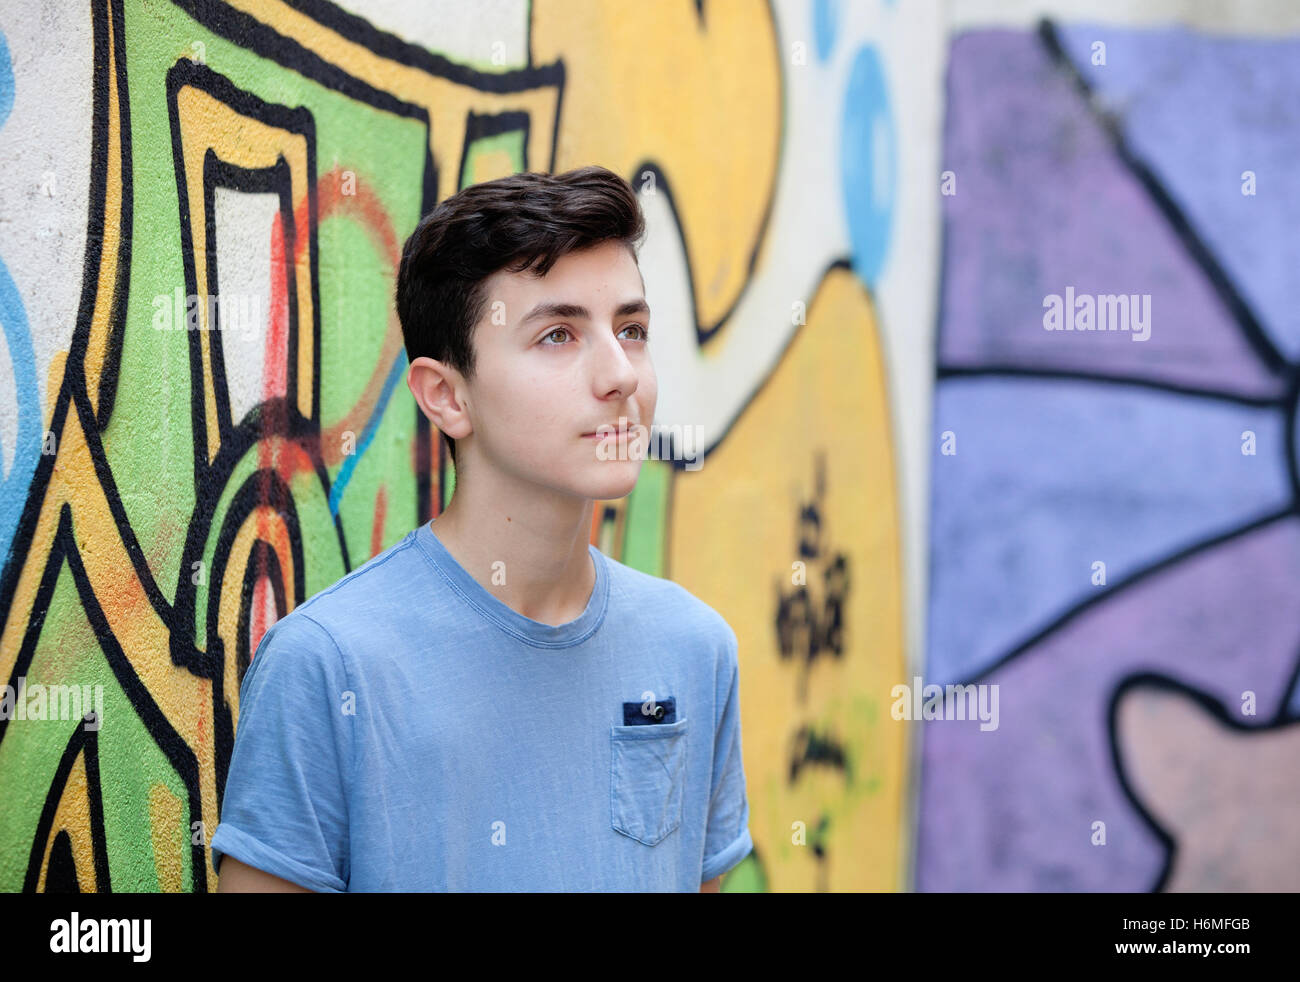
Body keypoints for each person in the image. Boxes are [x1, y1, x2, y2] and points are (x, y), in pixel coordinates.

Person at [211, 165, 752, 892]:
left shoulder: (694, 647)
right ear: (447, 397)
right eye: (559, 334)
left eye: (633, 329)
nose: (621, 373)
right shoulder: (329, 667)